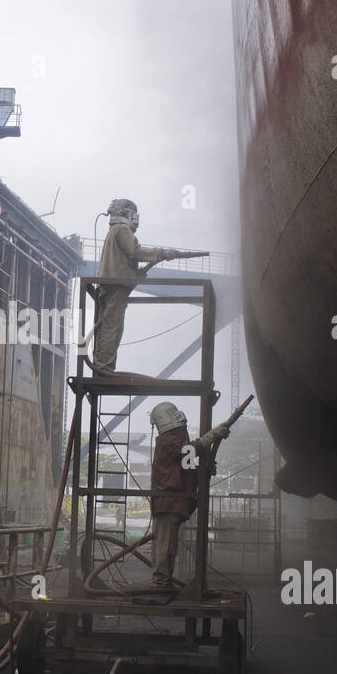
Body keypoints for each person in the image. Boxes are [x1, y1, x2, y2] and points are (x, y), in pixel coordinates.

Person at [92, 199, 182, 375]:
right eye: (133, 213)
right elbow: (136, 252)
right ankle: (104, 368)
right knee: (112, 327)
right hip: (116, 285)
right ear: (126, 213)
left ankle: (102, 367)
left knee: (110, 326)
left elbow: (124, 260)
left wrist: (135, 274)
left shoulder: (114, 230)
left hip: (113, 284)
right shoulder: (122, 229)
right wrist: (160, 253)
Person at [147, 401, 229, 591]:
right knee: (165, 545)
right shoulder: (168, 441)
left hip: (173, 503)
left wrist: (204, 471)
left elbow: (187, 470)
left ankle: (163, 582)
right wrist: (212, 435)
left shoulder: (174, 442)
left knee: (169, 546)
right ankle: (159, 583)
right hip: (168, 502)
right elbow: (188, 452)